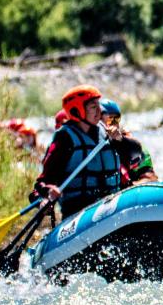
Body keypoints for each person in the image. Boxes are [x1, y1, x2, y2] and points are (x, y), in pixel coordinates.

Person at [31, 85, 126, 219]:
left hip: (110, 205)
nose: (99, 111)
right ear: (77, 111)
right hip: (78, 213)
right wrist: (45, 198)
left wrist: (120, 140)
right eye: (94, 107)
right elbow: (44, 182)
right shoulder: (65, 139)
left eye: (99, 106)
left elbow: (135, 154)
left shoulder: (107, 132)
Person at [100, 98, 157, 186]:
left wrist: (130, 187)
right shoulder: (91, 144)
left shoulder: (133, 145)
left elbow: (151, 178)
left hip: (128, 192)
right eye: (109, 119)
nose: (113, 124)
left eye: (116, 119)